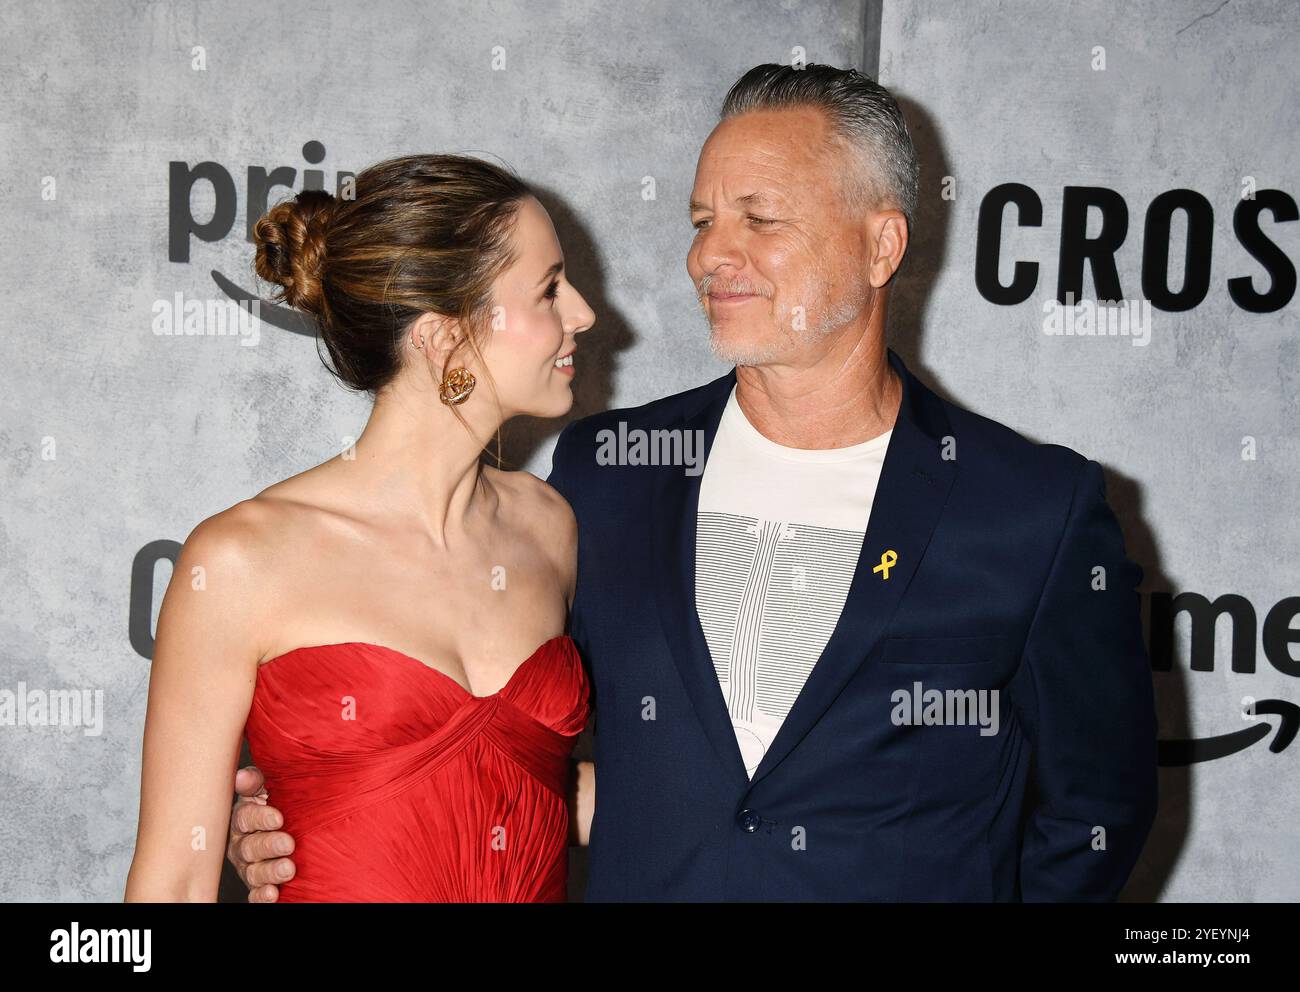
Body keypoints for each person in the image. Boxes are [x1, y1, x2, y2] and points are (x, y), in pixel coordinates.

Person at [233, 63, 1159, 902]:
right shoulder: (608, 476)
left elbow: (1095, 816)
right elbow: (522, 747)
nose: (711, 255)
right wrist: (326, 814)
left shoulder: (1032, 511)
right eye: (702, 221)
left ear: (881, 246)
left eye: (760, 218)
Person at [125, 154, 597, 902]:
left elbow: (526, 791)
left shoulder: (551, 530)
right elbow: (174, 883)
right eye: (548, 291)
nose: (583, 315)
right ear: (447, 340)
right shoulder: (242, 559)